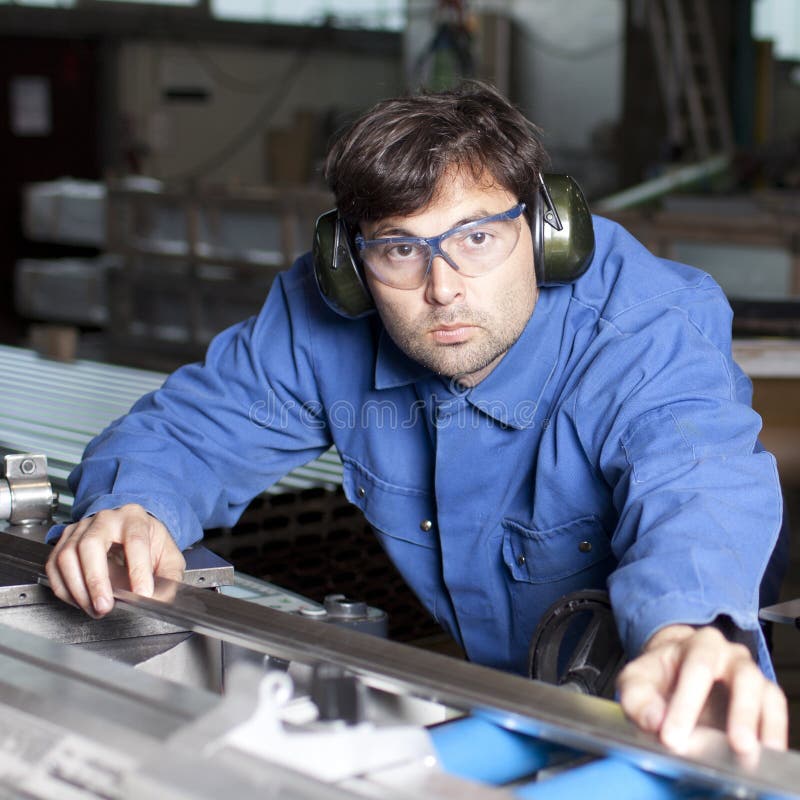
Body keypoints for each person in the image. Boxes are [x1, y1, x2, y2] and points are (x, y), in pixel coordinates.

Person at [45, 81, 788, 756]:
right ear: (349, 263)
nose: (443, 289)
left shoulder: (644, 329)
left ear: (548, 229)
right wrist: (131, 506)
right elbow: (189, 430)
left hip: (668, 709)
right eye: (401, 249)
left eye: (476, 238)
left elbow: (699, 476)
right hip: (496, 706)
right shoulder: (325, 318)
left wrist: (688, 629)